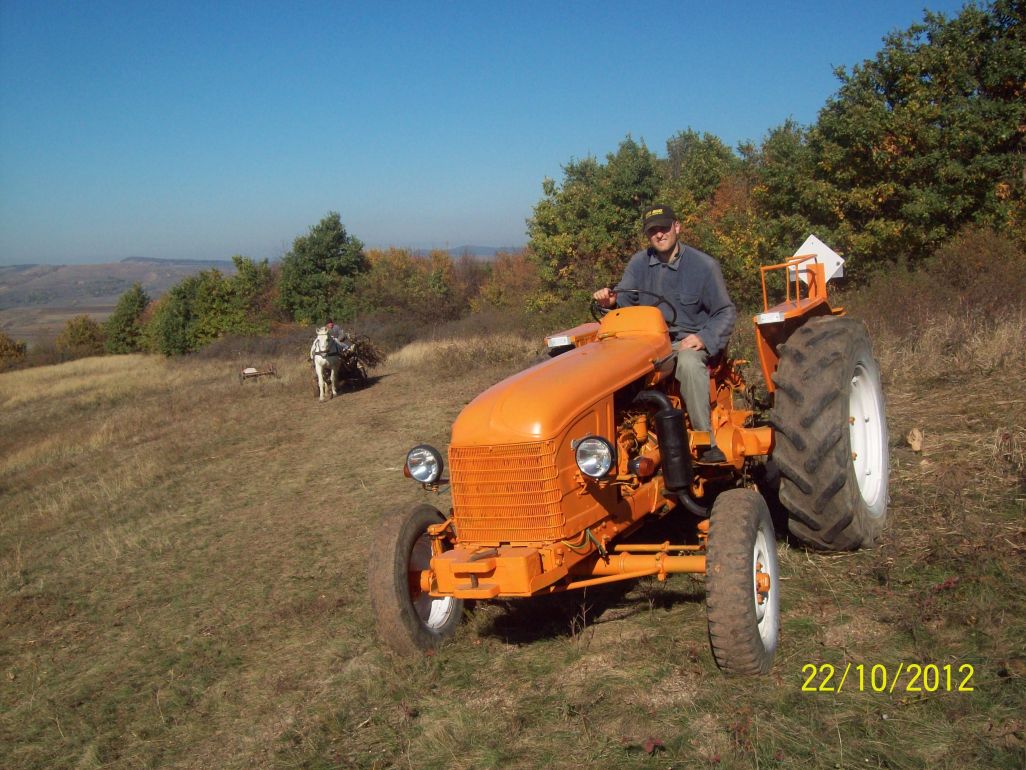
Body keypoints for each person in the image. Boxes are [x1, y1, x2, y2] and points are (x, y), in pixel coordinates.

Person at [593, 204, 736, 463]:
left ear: (677, 227)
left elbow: (725, 311)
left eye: (664, 228)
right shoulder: (639, 264)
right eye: (653, 231)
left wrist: (703, 338)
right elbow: (625, 301)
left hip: (685, 341)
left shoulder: (703, 266)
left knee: (690, 364)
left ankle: (706, 443)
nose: (659, 235)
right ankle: (607, 443)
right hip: (648, 341)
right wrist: (610, 301)